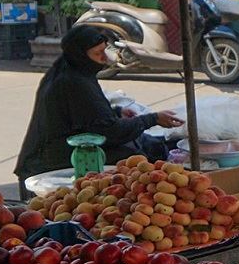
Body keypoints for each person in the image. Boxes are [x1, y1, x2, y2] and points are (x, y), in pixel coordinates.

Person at [15, 25, 182, 193]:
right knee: (135, 156)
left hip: (60, 148)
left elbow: (83, 115)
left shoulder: (69, 70)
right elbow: (110, 131)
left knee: (147, 143)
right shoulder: (74, 82)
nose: (104, 58)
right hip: (53, 160)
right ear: (80, 54)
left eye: (104, 51)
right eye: (97, 54)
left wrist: (117, 112)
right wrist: (152, 119)